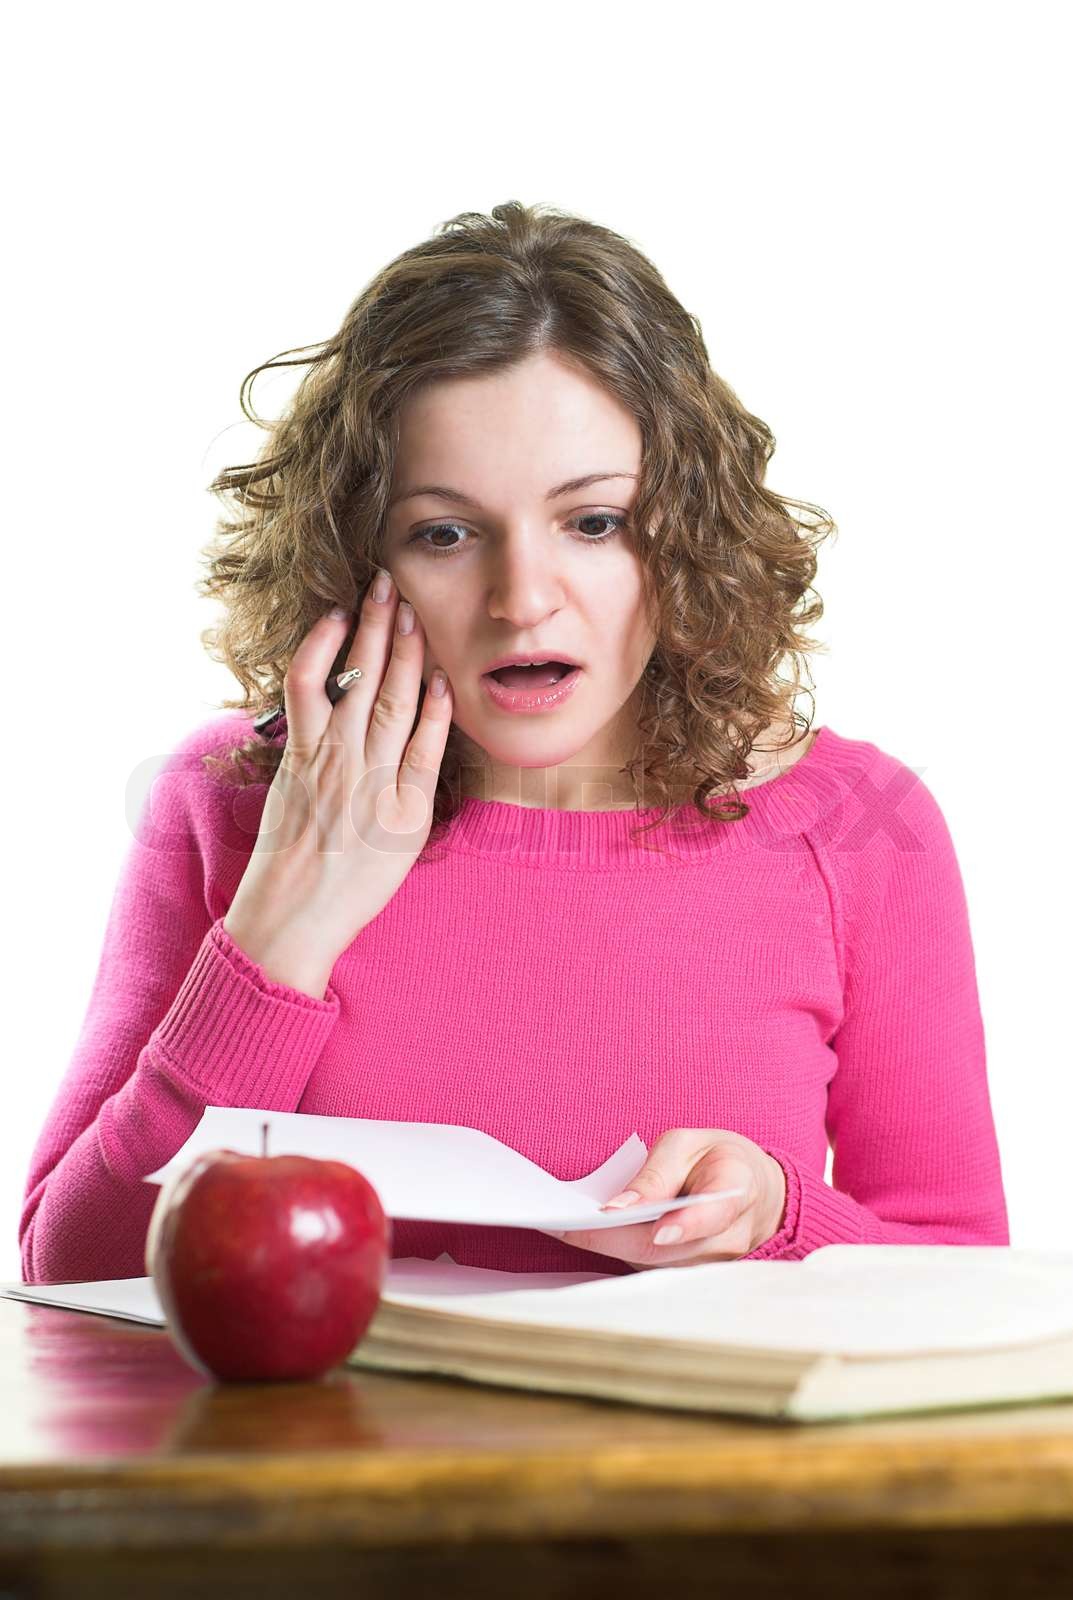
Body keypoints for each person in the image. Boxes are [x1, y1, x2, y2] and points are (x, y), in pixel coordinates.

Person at [19, 201, 1009, 1285]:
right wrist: (276, 936)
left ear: (681, 535)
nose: (523, 599)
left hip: (693, 1458)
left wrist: (777, 1211)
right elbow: (73, 1269)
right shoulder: (234, 802)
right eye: (444, 533)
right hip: (319, 1453)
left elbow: (966, 1282)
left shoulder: (855, 828)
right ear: (359, 560)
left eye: (592, 523)